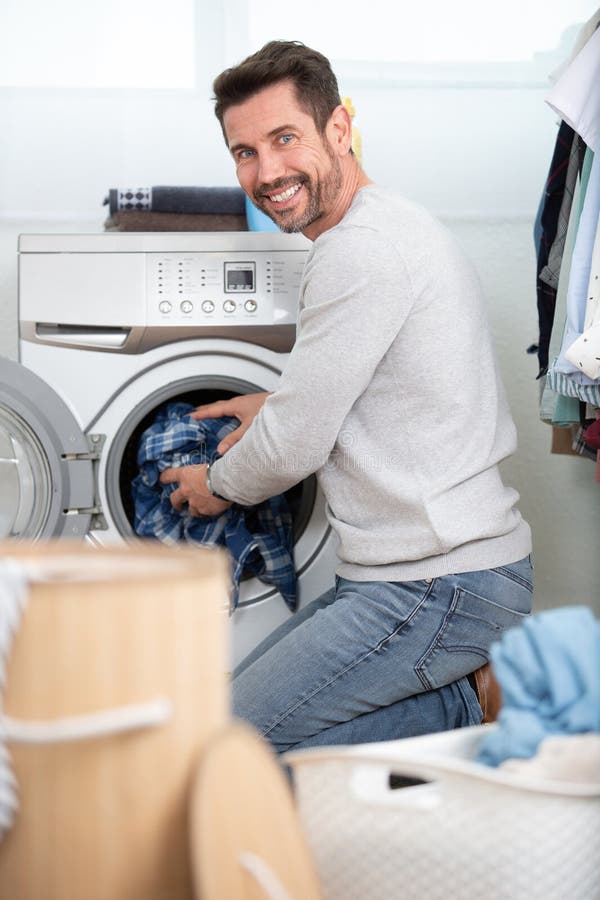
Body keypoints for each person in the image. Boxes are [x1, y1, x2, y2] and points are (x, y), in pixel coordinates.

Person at [160, 40, 533, 753]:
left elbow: (295, 447)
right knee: (234, 723)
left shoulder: (359, 250)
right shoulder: (382, 226)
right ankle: (464, 697)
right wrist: (277, 405)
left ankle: (474, 705)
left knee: (228, 749)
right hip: (431, 579)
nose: (266, 172)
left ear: (340, 128)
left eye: (284, 138)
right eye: (244, 152)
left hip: (438, 587)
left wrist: (216, 484)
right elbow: (386, 391)